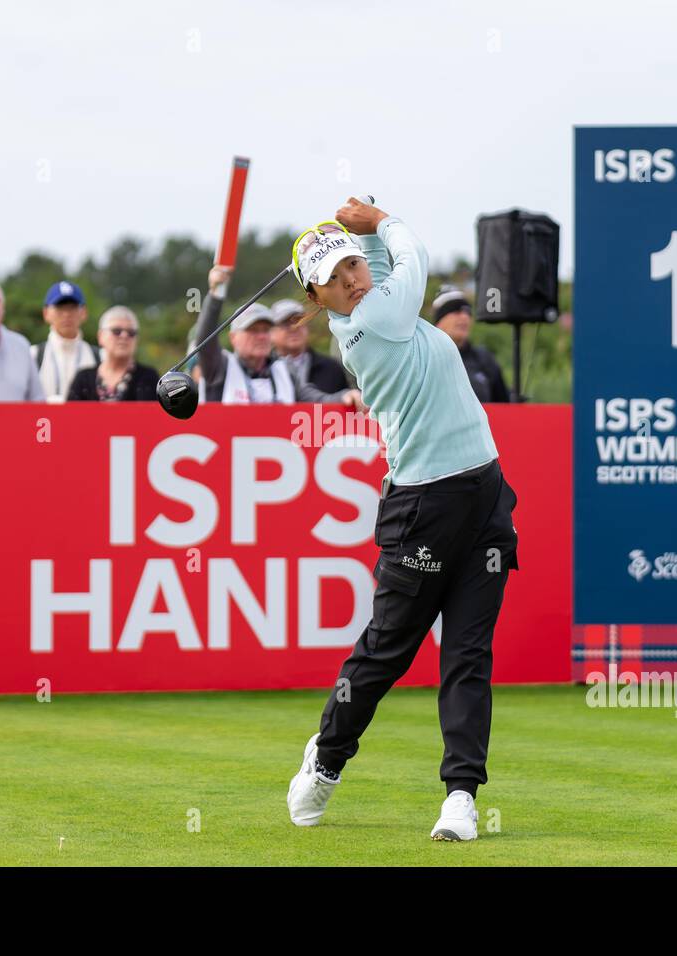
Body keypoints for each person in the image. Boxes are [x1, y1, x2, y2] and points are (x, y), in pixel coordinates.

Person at [284, 199, 519, 842]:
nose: (354, 279)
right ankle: (328, 758)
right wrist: (382, 218)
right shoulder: (369, 327)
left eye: (355, 266)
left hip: (485, 495)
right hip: (423, 509)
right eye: (337, 278)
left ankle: (461, 797)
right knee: (388, 650)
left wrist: (366, 240)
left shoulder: (379, 308)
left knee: (468, 653)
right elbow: (412, 256)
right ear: (319, 295)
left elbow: (388, 265)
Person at [194, 266, 294, 404]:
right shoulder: (220, 367)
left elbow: (322, 402)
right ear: (233, 338)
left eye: (266, 330)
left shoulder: (285, 371)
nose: (261, 336)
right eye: (252, 330)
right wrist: (215, 294)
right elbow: (204, 341)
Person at [269, 299, 363, 407]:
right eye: (285, 324)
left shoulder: (332, 367)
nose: (293, 328)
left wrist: (346, 395)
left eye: (299, 321)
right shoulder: (264, 370)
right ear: (271, 332)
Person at [431, 286, 511, 403]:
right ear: (439, 321)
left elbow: (504, 406)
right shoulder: (424, 359)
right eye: (456, 311)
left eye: (468, 312)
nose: (465, 317)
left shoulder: (484, 360)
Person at [66, 306, 159, 401]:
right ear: (100, 336)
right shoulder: (83, 379)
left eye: (131, 332)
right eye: (116, 331)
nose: (124, 336)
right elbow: (69, 414)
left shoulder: (149, 379)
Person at [32, 280, 99, 403]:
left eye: (72, 308)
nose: (66, 314)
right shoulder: (32, 355)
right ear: (46, 313)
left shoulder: (99, 357)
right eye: (59, 308)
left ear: (84, 312)